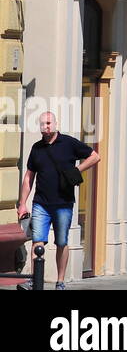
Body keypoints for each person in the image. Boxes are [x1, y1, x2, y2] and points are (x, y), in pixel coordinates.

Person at [16, 111, 101, 290]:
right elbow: (28, 177)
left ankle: (60, 282)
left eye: (49, 123)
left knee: (61, 242)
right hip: (41, 203)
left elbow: (95, 156)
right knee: (37, 241)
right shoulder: (36, 148)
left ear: (56, 124)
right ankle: (35, 280)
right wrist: (23, 203)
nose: (46, 127)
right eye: (42, 124)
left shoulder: (69, 143)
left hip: (63, 203)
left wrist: (78, 170)